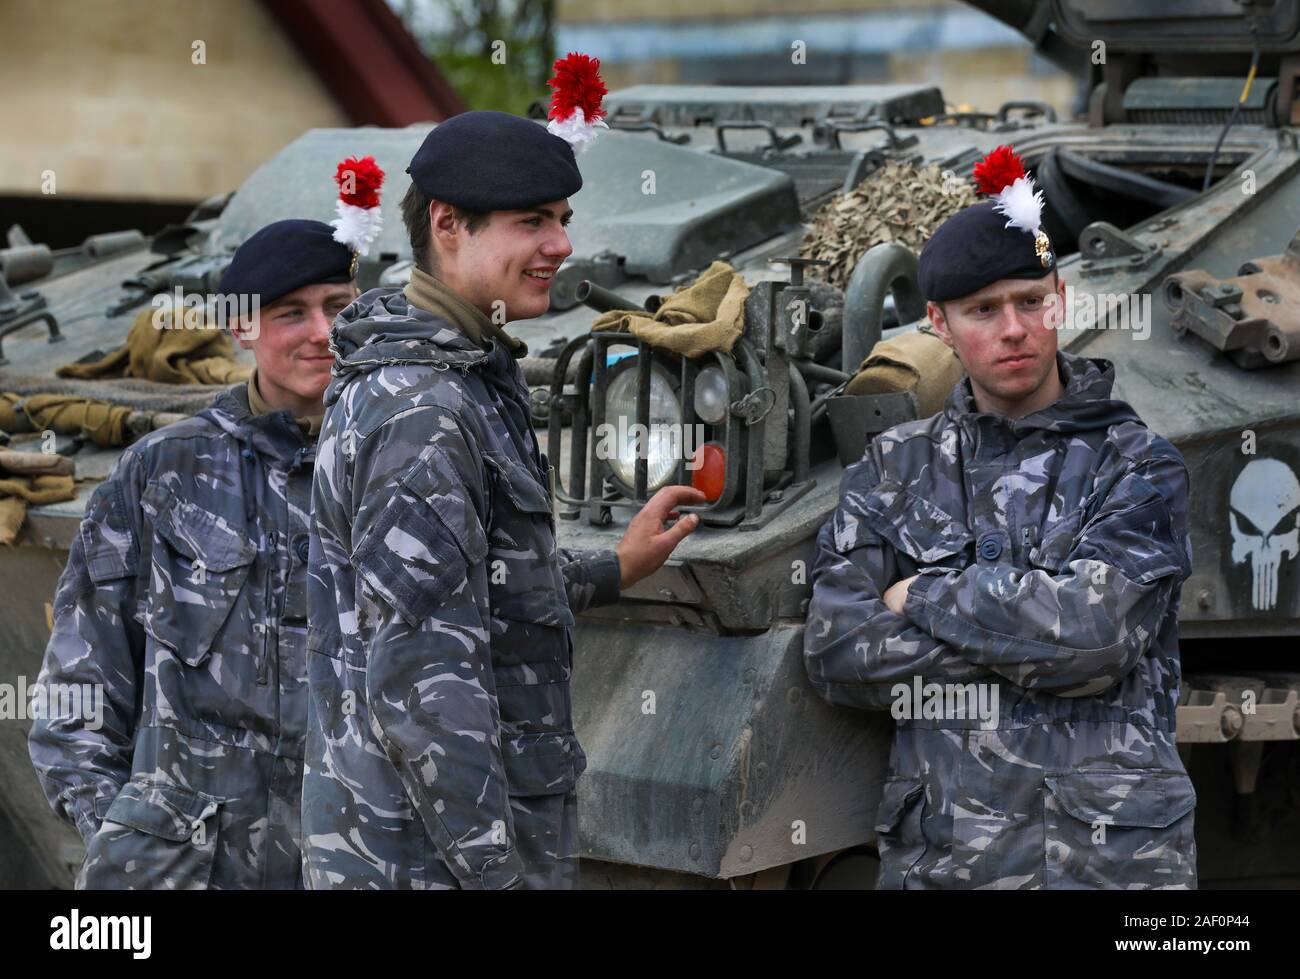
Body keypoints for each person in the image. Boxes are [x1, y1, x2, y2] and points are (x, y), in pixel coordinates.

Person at [302, 56, 706, 889]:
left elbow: (473, 579)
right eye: (532, 221)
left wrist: (612, 567)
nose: (561, 243)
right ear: (448, 225)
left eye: (561, 217)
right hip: (433, 861)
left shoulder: (463, 371)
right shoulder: (424, 411)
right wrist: (499, 874)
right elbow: (424, 679)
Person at [803, 146, 1197, 889]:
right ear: (938, 324)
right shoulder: (894, 468)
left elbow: (1094, 639)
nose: (1014, 328)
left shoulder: (1138, 464)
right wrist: (1030, 642)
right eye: (983, 310)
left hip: (1109, 866)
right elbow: (836, 647)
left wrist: (919, 595)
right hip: (946, 863)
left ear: (1062, 298)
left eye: (1030, 301)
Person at [29, 217, 362, 888]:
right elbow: (78, 689)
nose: (322, 332)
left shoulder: (400, 459)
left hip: (355, 864)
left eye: (338, 307)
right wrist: (126, 838)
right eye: (291, 313)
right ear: (242, 328)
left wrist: (612, 570)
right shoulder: (163, 472)